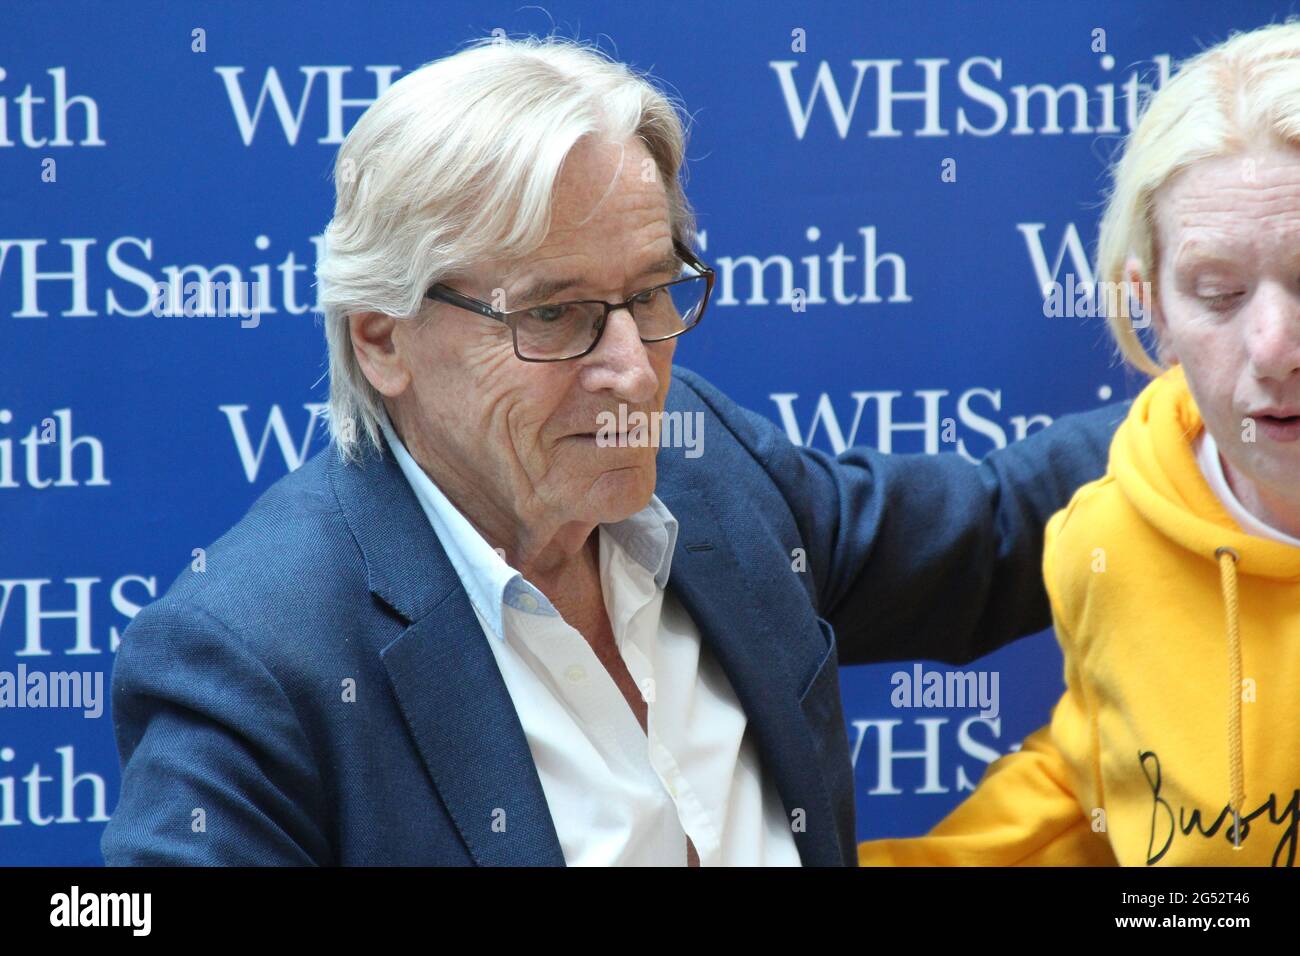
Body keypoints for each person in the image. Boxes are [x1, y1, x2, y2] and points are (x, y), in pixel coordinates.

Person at [100, 37, 1120, 867]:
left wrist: (1230, 407)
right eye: (554, 314)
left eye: (649, 292)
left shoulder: (705, 465)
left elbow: (988, 533)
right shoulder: (253, 660)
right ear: (382, 336)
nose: (633, 370)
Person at [859, 21, 1300, 868]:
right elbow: (1100, 788)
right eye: (1218, 293)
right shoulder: (1104, 543)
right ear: (1154, 308)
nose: (1274, 345)